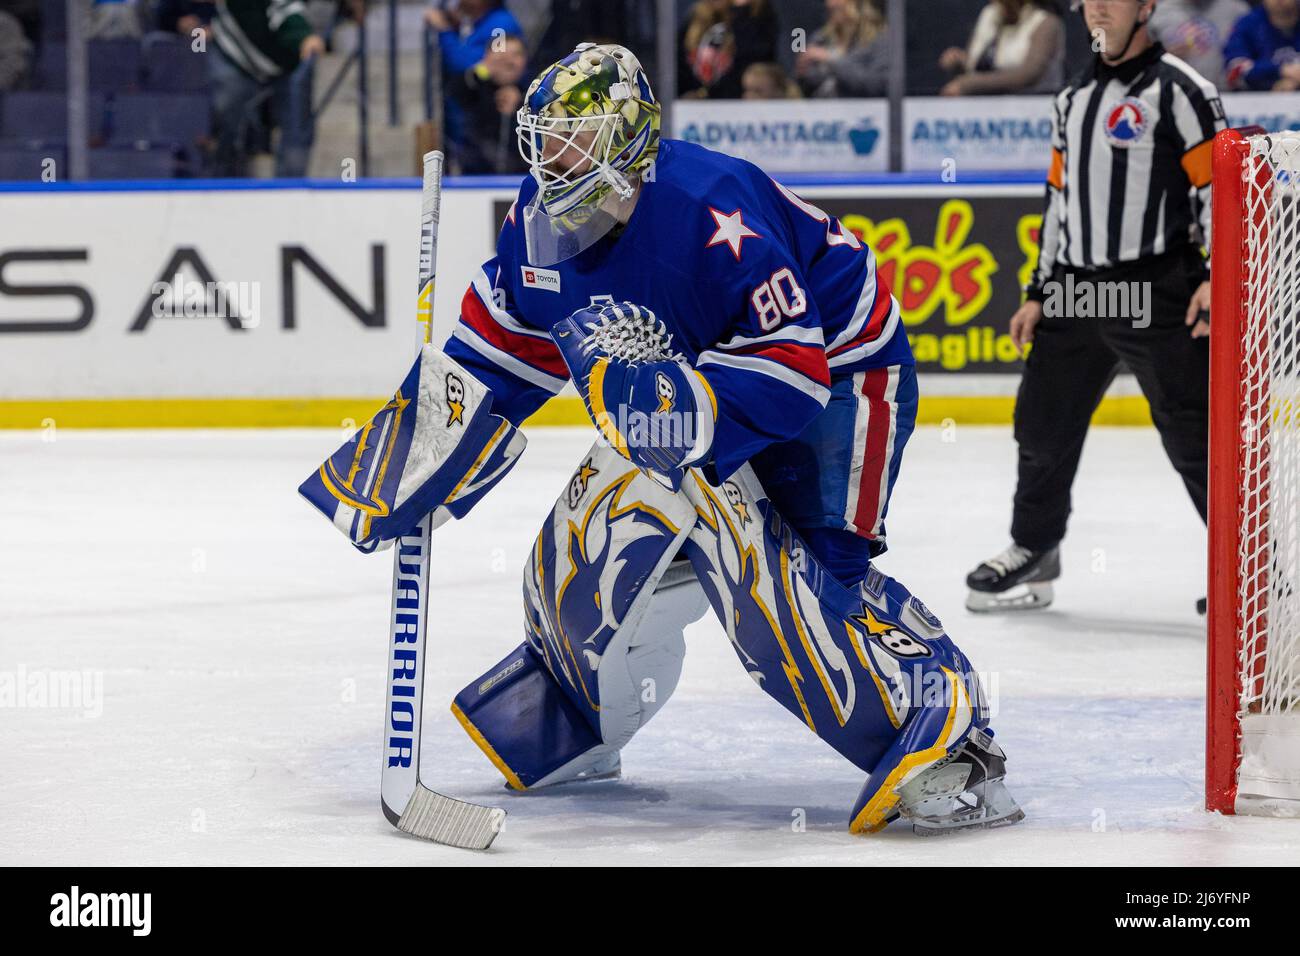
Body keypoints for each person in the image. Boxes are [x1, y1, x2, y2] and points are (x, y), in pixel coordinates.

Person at [440, 43, 1025, 834]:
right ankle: (582, 706)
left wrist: (679, 425)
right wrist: (427, 446)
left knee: (800, 583)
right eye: (544, 136)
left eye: (575, 136)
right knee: (594, 533)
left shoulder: (711, 204)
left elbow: (796, 373)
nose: (553, 156)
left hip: (844, 377)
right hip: (695, 391)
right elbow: (504, 344)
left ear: (629, 138)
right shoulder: (538, 220)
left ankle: (954, 739)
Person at [965, 0, 1223, 613]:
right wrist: (1038, 291)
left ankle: (1248, 573)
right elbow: (1058, 201)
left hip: (1159, 289)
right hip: (1077, 292)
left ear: (1147, 7)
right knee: (1041, 427)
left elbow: (1218, 191)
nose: (1097, 8)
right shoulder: (1073, 98)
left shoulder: (1184, 91)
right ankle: (1035, 548)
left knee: (1195, 437)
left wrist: (1218, 279)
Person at [209, 0, 326, 177]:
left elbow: (286, 10)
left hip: (288, 61)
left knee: (296, 125)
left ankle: (289, 190)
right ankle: (224, 179)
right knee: (226, 114)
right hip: (232, 55)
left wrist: (304, 36)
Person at [425, 1, 524, 174]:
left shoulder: (500, 23)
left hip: (515, 171)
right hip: (476, 164)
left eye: (517, 55)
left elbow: (466, 62)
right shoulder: (473, 86)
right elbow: (475, 72)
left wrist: (445, 32)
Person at [938, 0, 1065, 95]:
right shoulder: (990, 13)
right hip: (987, 108)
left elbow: (1027, 75)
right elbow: (986, 64)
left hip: (1031, 109)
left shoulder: (1046, 22)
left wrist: (969, 83)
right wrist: (961, 61)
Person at [446, 32, 529, 174]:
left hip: (522, 176)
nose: (509, 62)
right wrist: (483, 69)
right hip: (476, 177)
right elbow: (455, 91)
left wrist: (521, 103)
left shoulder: (535, 93)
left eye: (516, 55)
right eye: (502, 57)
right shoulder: (474, 87)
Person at [678, 0, 777, 100]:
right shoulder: (696, 17)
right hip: (694, 107)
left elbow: (752, 57)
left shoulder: (758, 14)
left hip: (738, 104)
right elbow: (678, 65)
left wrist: (740, 10)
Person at [796, 0, 891, 98]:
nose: (829, 4)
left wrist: (831, 60)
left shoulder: (879, 39)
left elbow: (878, 85)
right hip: (822, 110)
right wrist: (803, 74)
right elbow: (807, 88)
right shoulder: (821, 39)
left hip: (864, 110)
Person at [1149, 0, 1249, 88]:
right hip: (1177, 95)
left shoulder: (1237, 10)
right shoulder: (1159, 12)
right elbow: (1143, 61)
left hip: (1229, 95)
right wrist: (1165, 55)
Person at [1223, 0, 1300, 90]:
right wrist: (1282, 70)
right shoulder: (1247, 24)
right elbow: (1234, 69)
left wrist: (1295, 83)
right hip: (1256, 98)